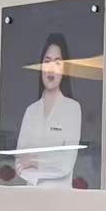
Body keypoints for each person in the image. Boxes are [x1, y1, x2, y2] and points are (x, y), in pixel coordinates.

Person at [13, 32, 83, 188]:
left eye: (57, 63)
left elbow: (65, 164)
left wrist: (34, 162)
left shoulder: (73, 109)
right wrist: (48, 162)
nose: (51, 68)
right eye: (47, 61)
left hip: (60, 198)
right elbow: (19, 163)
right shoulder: (31, 111)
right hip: (31, 197)